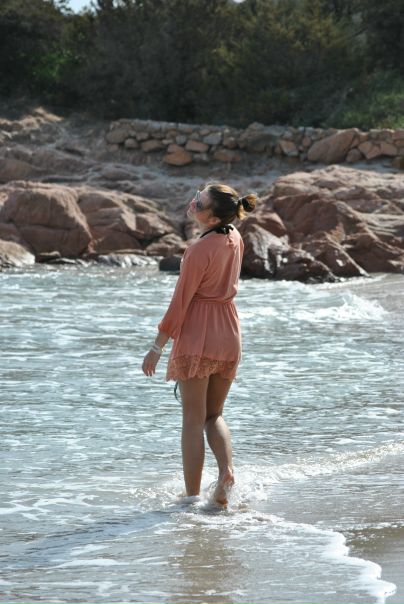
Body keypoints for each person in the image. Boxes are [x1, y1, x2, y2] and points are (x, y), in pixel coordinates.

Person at [142, 183, 257, 505]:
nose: (193, 204)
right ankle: (226, 472)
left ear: (212, 218)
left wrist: (157, 347)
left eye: (199, 203)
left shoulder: (197, 250)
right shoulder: (235, 237)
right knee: (214, 414)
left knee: (193, 419)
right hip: (229, 332)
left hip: (198, 332)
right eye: (196, 197)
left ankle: (191, 498)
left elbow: (180, 303)